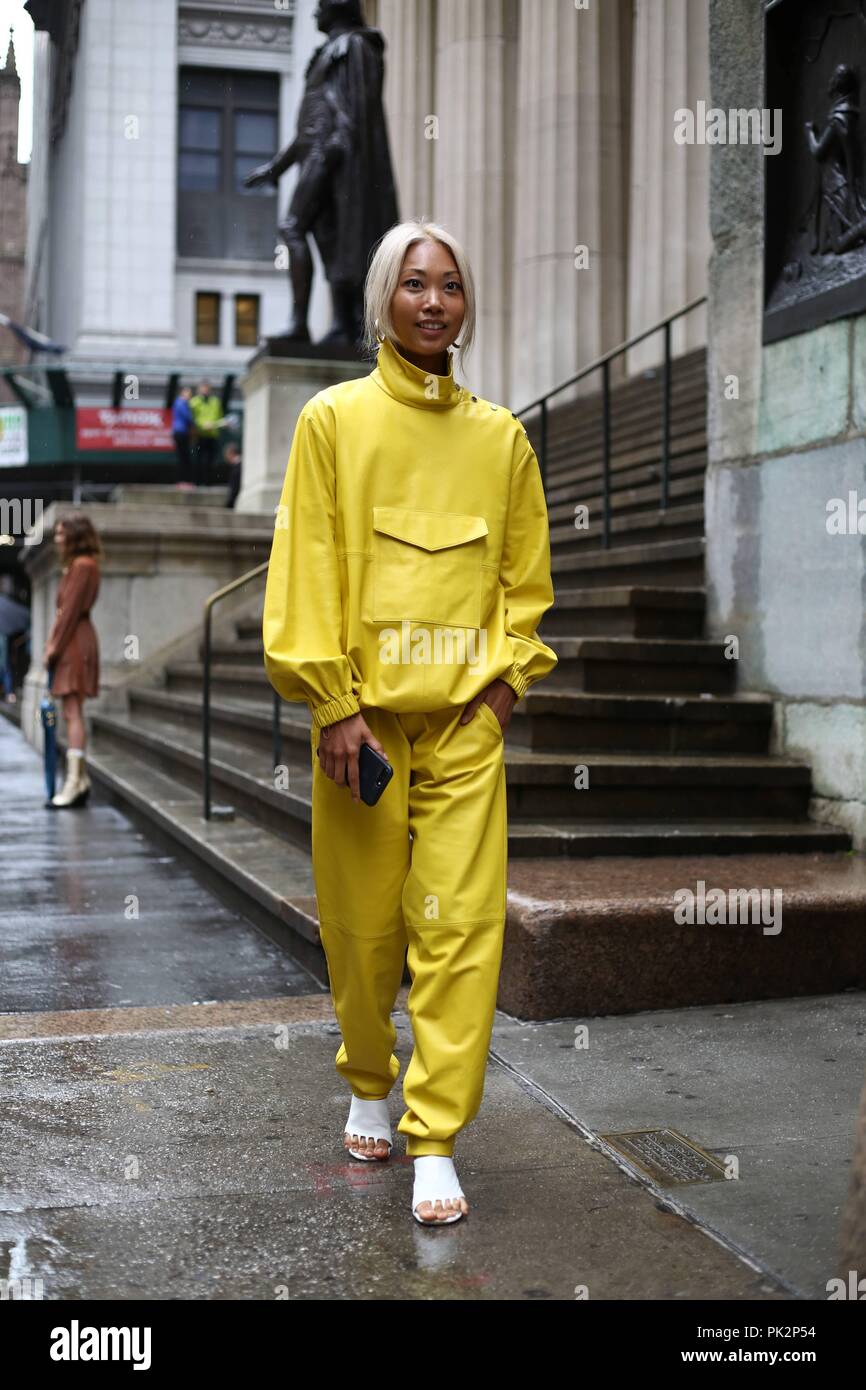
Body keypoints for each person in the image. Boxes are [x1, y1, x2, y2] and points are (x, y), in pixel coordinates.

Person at [262, 219, 558, 1225]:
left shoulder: (502, 439)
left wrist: (502, 693)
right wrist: (334, 706)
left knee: (462, 931)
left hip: (465, 729)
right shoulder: (332, 422)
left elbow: (525, 587)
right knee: (361, 927)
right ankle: (366, 1079)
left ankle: (435, 1135)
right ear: (383, 298)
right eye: (415, 283)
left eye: (451, 286)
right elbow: (304, 567)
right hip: (363, 727)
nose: (434, 302)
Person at [42, 514, 103, 809]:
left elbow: (68, 613)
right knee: (72, 711)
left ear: (75, 535)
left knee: (72, 711)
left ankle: (74, 781)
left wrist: (52, 648)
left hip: (74, 643)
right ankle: (80, 778)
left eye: (61, 533)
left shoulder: (81, 566)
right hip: (77, 639)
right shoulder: (84, 565)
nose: (57, 539)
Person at [189, 380, 223, 487]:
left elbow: (219, 416)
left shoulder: (215, 401)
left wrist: (215, 424)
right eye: (203, 388)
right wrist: (202, 425)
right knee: (198, 460)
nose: (205, 391)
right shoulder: (194, 402)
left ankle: (208, 483)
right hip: (200, 435)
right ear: (199, 390)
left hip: (213, 435)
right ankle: (197, 482)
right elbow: (191, 418)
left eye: (207, 388)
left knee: (211, 460)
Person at [172, 385, 195, 490]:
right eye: (187, 393)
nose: (189, 396)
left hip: (181, 433)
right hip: (181, 433)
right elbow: (188, 418)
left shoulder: (181, 403)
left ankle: (183, 481)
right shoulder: (181, 403)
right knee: (183, 458)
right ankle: (183, 481)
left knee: (183, 458)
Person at [223, 442, 242, 509]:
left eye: (226, 455)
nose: (226, 458)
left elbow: (235, 489)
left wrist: (229, 504)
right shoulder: (238, 466)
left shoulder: (237, 468)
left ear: (231, 453)